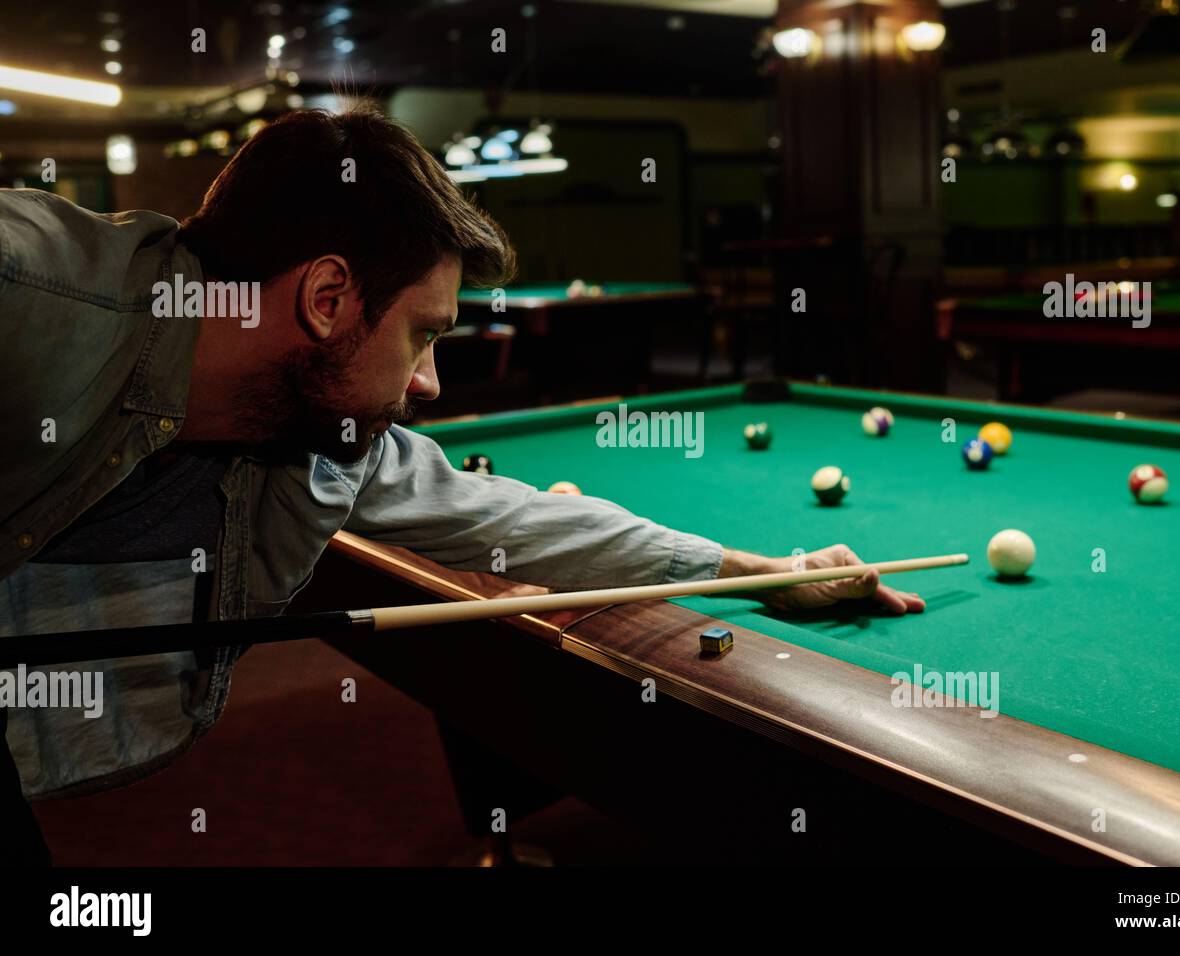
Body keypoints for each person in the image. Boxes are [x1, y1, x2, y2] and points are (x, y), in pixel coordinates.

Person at [0, 107, 924, 866]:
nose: (431, 384)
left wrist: (754, 569)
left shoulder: (324, 441)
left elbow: (511, 521)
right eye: (425, 335)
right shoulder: (37, 297)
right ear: (328, 300)